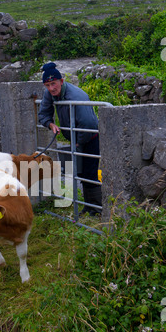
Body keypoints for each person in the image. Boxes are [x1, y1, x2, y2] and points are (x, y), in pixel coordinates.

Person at [38, 62, 101, 216]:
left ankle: (98, 209)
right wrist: (50, 124)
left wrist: (79, 142)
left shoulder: (77, 96)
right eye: (47, 85)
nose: (51, 88)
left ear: (62, 81)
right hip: (75, 137)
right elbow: (43, 114)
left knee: (90, 172)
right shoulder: (50, 94)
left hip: (90, 136)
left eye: (53, 84)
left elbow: (89, 124)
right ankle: (87, 206)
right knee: (81, 173)